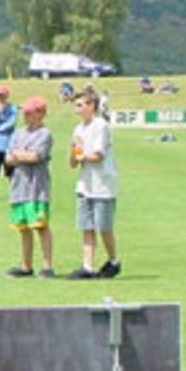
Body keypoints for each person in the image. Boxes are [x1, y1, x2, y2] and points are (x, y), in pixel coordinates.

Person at [68, 90, 121, 279]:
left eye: (80, 105)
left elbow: (98, 155)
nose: (77, 109)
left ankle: (113, 261)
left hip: (103, 184)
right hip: (85, 184)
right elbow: (73, 160)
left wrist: (81, 156)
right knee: (87, 227)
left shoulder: (101, 126)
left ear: (91, 106)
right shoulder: (78, 129)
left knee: (104, 227)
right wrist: (74, 154)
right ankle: (87, 266)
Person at [5, 95, 54, 278]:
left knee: (41, 226)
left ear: (40, 114)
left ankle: (47, 266)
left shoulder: (45, 134)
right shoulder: (17, 133)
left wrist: (20, 154)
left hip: (36, 188)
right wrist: (21, 154)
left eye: (28, 112)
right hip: (19, 186)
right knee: (23, 227)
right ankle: (26, 266)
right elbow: (8, 159)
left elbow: (35, 156)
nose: (24, 116)